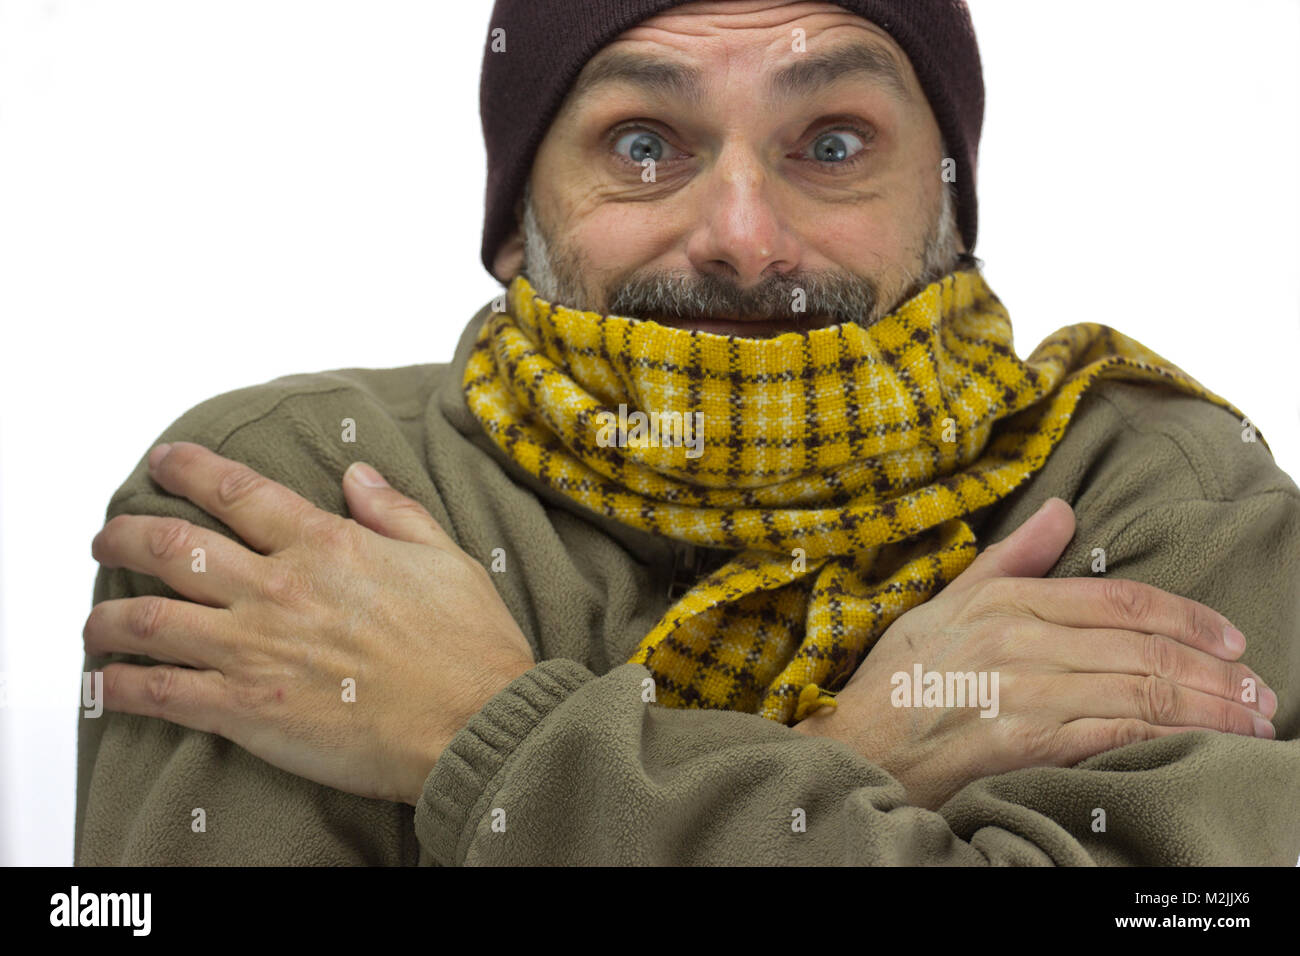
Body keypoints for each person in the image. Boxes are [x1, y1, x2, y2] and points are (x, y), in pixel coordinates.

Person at [76, 0, 1300, 865]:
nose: (743, 235)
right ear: (516, 224)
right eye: (644, 146)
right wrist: (848, 760)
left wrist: (479, 734)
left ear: (948, 203)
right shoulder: (292, 496)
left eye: (831, 144)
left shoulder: (1151, 489)